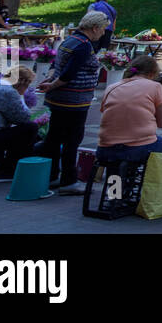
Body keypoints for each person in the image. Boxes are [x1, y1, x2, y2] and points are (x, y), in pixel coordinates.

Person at [36, 11, 108, 193]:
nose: (103, 33)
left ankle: (51, 175)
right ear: (95, 28)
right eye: (103, 29)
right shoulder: (84, 45)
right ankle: (68, 180)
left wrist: (50, 81)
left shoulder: (69, 40)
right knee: (72, 140)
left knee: (54, 137)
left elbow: (56, 65)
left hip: (59, 99)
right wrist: (51, 85)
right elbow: (69, 73)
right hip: (73, 101)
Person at [98, 55, 162, 161]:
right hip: (139, 149)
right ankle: (159, 177)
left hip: (105, 149)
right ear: (152, 74)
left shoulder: (111, 87)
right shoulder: (155, 86)